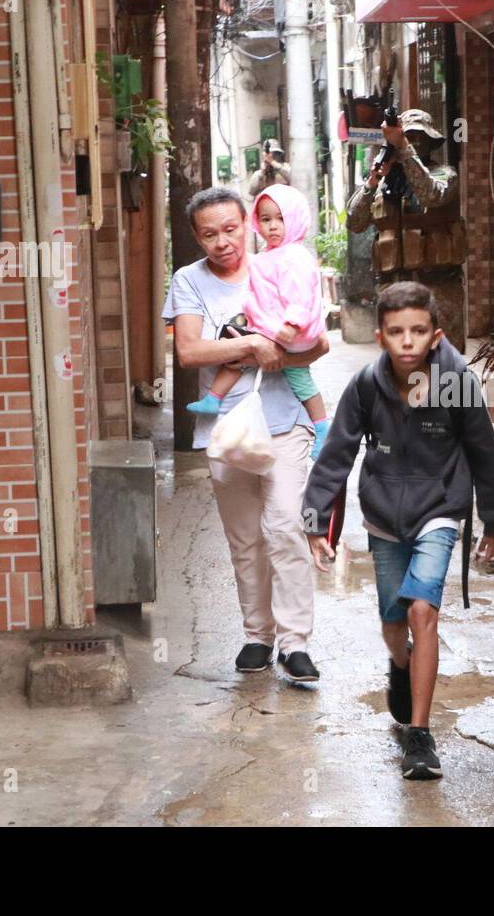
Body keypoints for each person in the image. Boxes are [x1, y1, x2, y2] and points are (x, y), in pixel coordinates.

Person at [303, 281, 494, 780]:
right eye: (397, 332)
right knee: (394, 623)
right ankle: (400, 665)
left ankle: (419, 737)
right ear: (381, 337)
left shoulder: (457, 381)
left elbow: (483, 448)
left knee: (422, 611)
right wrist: (315, 521)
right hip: (383, 517)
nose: (408, 341)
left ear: (435, 335)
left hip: (440, 508)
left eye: (419, 331)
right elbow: (336, 456)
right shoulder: (365, 387)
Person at [162, 186, 327, 683]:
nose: (222, 242)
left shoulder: (277, 265)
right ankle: (258, 635)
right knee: (244, 539)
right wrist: (257, 343)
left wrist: (277, 352)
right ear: (196, 236)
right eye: (209, 234)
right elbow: (189, 352)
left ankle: (295, 643)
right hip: (226, 429)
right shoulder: (188, 281)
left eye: (231, 229)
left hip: (285, 421)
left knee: (284, 528)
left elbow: (316, 342)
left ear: (247, 226)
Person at [185, 184, 332, 460]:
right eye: (265, 220)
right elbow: (187, 352)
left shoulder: (293, 257)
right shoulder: (270, 256)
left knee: (300, 381)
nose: (273, 227)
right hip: (272, 331)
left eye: (281, 219)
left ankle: (321, 425)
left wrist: (290, 327)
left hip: (290, 334)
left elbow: (299, 299)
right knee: (237, 352)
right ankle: (213, 399)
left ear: (243, 224)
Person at [346, 108, 468, 348]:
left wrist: (402, 147)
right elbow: (355, 223)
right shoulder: (384, 182)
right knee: (400, 368)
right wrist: (372, 182)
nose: (411, 143)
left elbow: (431, 195)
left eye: (416, 138)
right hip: (394, 292)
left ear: (431, 142)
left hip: (438, 289)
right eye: (406, 137)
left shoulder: (445, 174)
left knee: (441, 367)